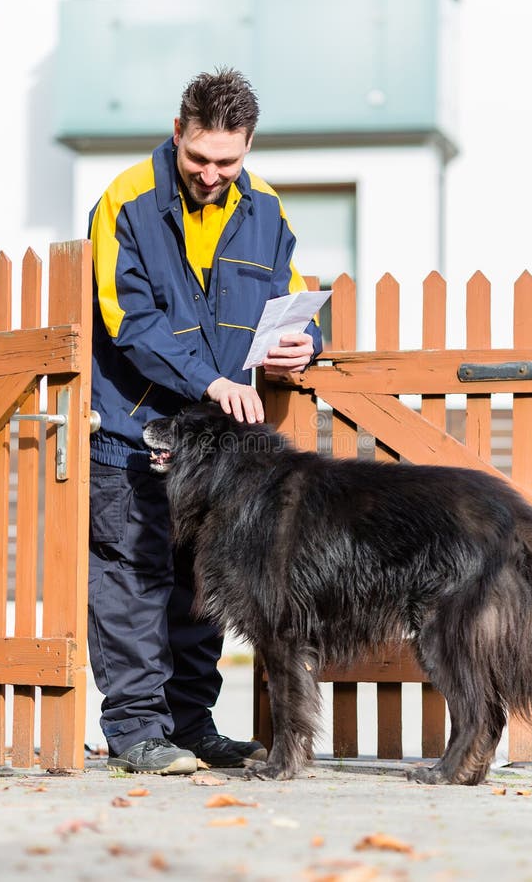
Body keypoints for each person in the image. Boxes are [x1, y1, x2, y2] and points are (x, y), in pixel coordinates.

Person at [87, 68, 323, 775]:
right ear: (177, 132)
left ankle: (191, 728)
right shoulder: (125, 200)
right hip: (136, 430)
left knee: (203, 586)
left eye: (228, 160)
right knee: (133, 582)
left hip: (218, 454)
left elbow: (300, 298)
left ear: (247, 147)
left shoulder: (268, 209)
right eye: (199, 158)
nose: (212, 173)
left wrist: (305, 347)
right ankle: (137, 733)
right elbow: (129, 318)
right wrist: (211, 380)